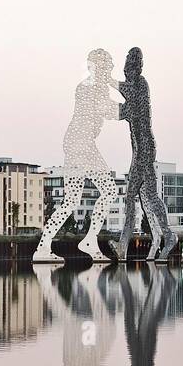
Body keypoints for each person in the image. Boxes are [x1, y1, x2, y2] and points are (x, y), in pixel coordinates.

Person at [34, 50, 122, 264]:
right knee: (109, 190)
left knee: (71, 201)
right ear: (97, 66)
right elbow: (109, 110)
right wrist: (133, 108)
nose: (110, 69)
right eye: (107, 65)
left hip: (76, 144)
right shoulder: (88, 87)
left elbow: (107, 107)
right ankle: (89, 240)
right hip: (82, 146)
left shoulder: (92, 86)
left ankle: (43, 247)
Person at [115, 47, 177, 263]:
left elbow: (128, 95)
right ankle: (165, 237)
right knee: (148, 197)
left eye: (127, 66)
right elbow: (121, 112)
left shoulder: (140, 84)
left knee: (131, 195)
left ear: (133, 66)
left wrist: (107, 81)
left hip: (144, 151)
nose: (125, 71)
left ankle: (123, 245)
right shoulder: (134, 92)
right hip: (141, 151)